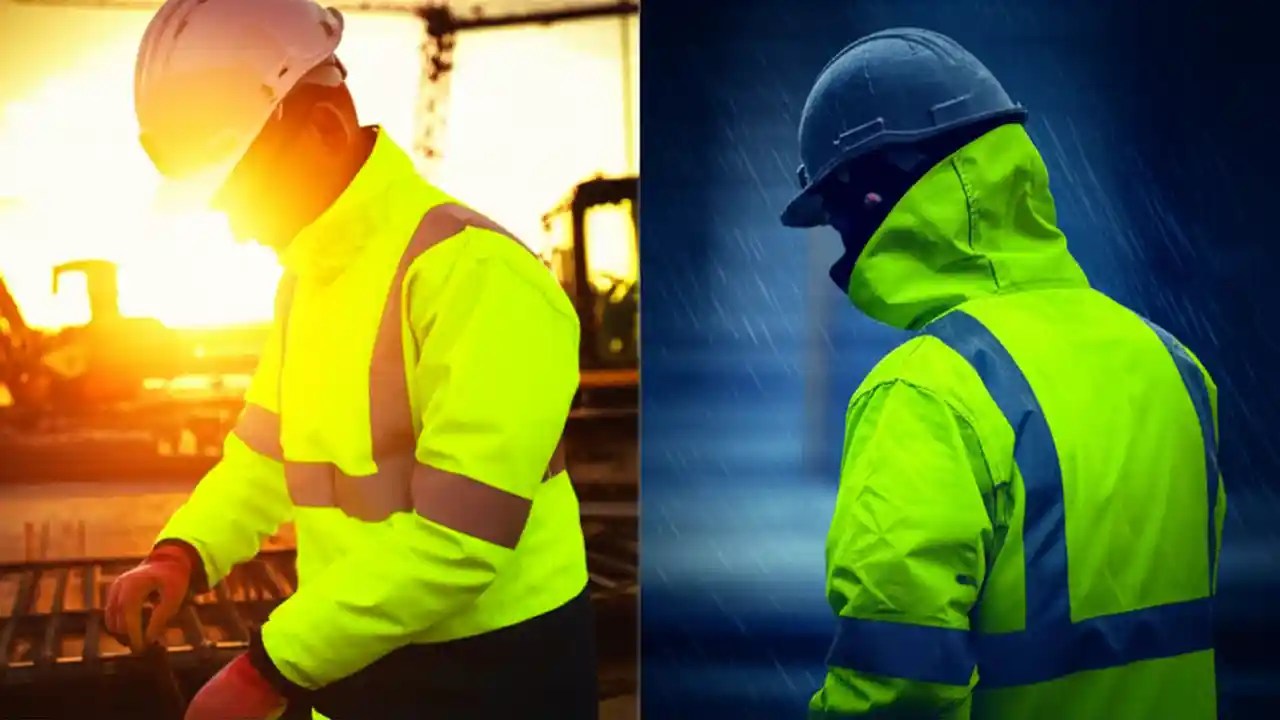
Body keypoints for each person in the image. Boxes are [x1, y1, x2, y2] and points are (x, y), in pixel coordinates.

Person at [103, 1, 598, 718]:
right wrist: (182, 553)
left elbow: (459, 541)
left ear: (324, 131)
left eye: (241, 191)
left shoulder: (479, 277)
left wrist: (264, 672)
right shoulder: (308, 282)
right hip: (352, 654)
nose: (234, 227)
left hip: (495, 675)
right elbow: (263, 458)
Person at [781, 28, 1224, 720]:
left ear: (870, 201)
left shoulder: (927, 389)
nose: (840, 240)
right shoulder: (1172, 363)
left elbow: (898, 689)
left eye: (834, 214)